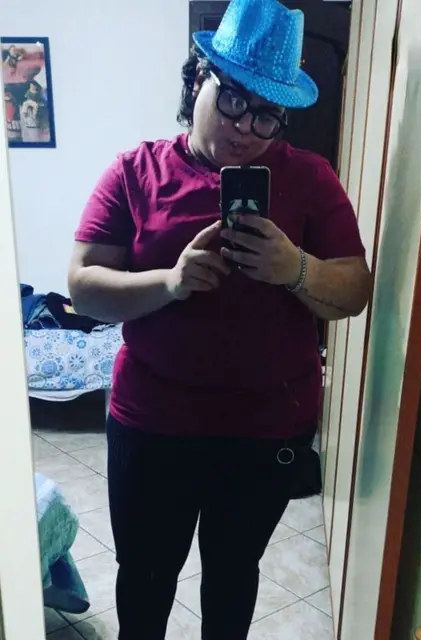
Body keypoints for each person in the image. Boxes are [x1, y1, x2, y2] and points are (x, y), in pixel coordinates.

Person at [68, 0, 371, 637]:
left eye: (266, 113)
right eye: (232, 99)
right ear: (196, 80)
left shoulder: (311, 179)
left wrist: (294, 268)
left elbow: (354, 291)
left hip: (265, 432)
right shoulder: (134, 172)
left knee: (233, 579)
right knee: (145, 578)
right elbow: (84, 287)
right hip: (152, 426)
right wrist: (170, 282)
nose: (246, 128)